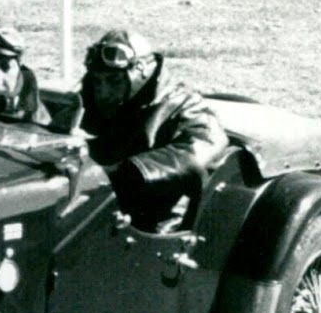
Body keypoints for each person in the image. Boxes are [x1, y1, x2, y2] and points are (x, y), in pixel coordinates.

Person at [79, 28, 228, 232]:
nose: (103, 92)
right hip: (94, 206)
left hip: (152, 221)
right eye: (97, 82)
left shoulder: (182, 104)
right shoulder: (87, 104)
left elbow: (203, 147)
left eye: (115, 81)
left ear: (141, 75)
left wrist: (129, 172)